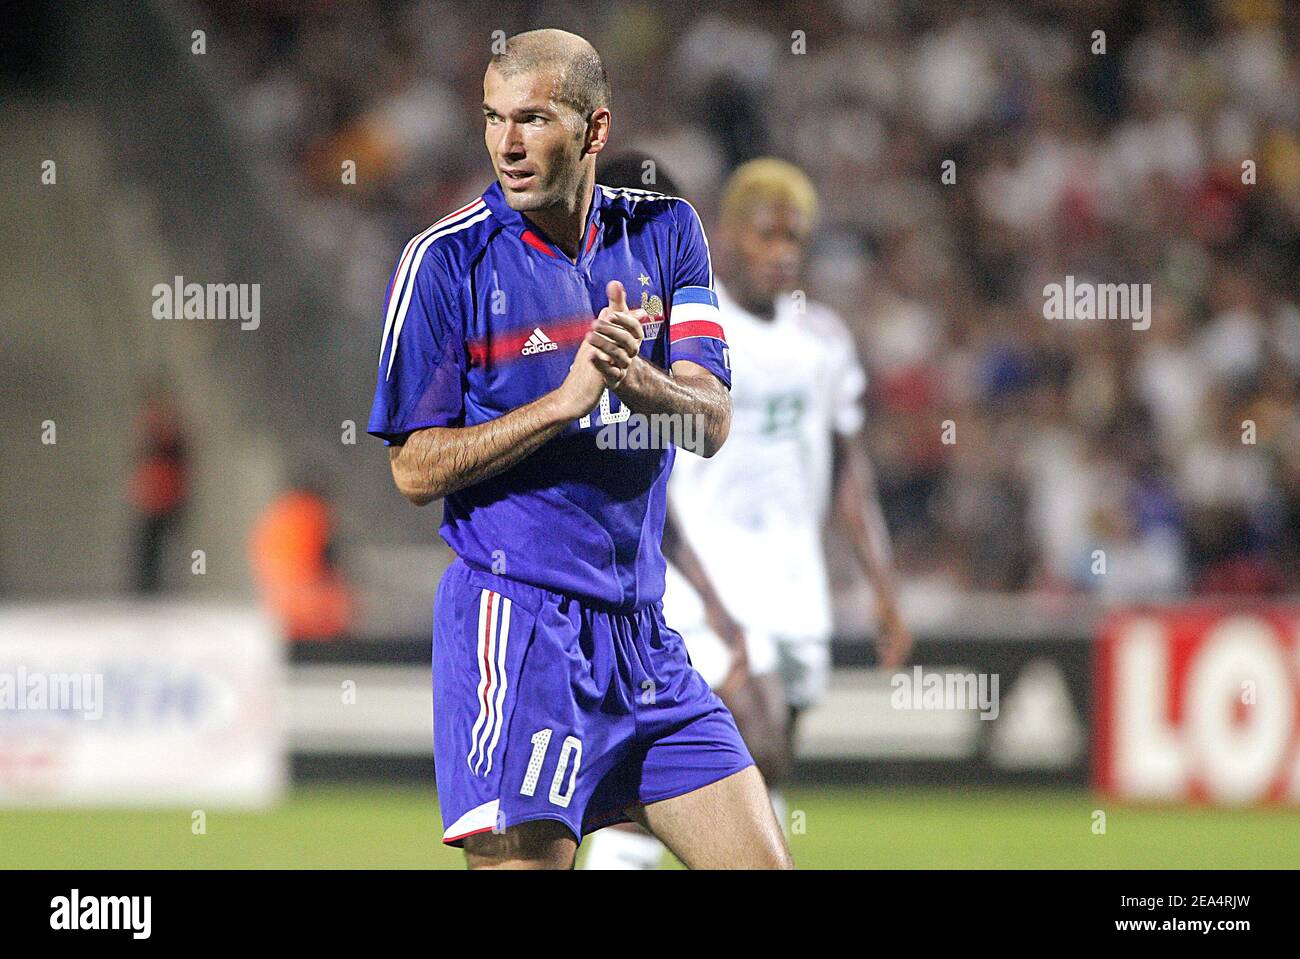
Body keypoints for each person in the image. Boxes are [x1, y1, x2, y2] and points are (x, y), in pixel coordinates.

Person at [367, 30, 790, 870]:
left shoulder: (667, 231)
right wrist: (563, 404)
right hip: (518, 627)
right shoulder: (444, 263)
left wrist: (638, 380)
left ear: (595, 129)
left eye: (532, 119)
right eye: (493, 118)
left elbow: (709, 422)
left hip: (645, 638)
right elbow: (413, 468)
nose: (507, 144)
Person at [664, 158, 913, 830]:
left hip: (797, 580)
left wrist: (883, 587)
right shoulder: (694, 327)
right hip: (709, 572)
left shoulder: (822, 339)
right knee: (759, 742)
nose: (782, 253)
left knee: (765, 764)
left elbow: (848, 468)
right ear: (728, 237)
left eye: (794, 238)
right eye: (766, 235)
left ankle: (637, 839)